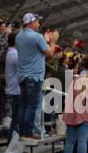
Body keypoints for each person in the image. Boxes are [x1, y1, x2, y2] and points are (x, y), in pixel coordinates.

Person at [16, 12, 59, 144]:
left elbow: (37, 54)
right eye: (37, 21)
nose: (39, 24)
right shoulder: (36, 37)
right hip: (34, 76)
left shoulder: (19, 36)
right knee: (32, 105)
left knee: (24, 105)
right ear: (31, 22)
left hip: (23, 75)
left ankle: (22, 131)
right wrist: (53, 41)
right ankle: (27, 133)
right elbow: (50, 53)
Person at [62, 54, 88, 153]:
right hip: (84, 115)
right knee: (82, 141)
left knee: (70, 141)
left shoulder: (74, 80)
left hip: (71, 113)